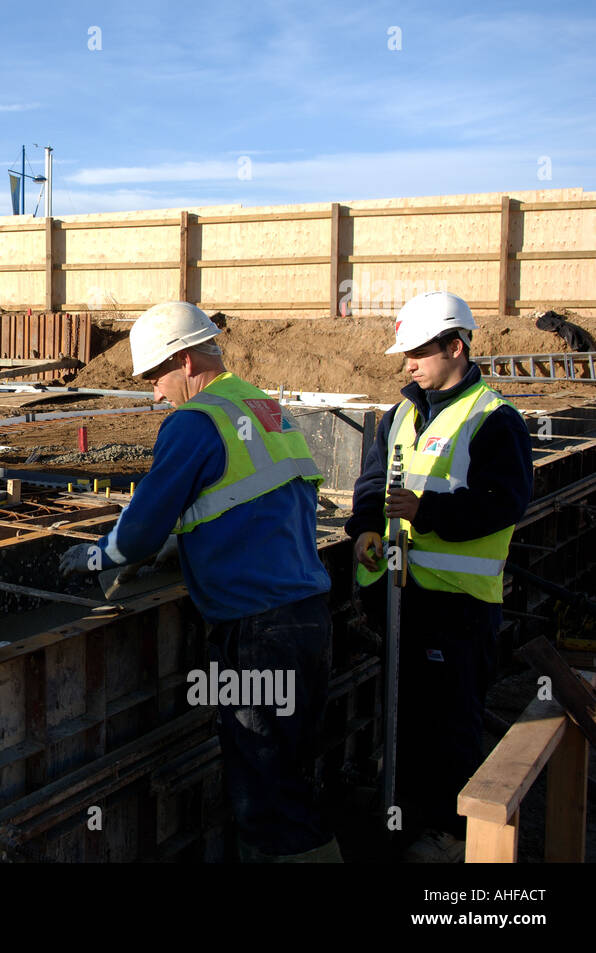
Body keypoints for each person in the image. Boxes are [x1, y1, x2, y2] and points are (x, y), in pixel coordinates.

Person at [60, 302, 340, 862]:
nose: (156, 396)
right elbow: (260, 503)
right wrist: (182, 542)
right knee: (290, 780)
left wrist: (96, 556)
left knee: (262, 795)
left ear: (186, 361)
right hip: (308, 618)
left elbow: (136, 532)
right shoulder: (264, 407)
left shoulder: (194, 421)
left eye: (156, 379)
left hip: (258, 635)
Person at [347, 290, 532, 862]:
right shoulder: (401, 413)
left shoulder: (494, 420)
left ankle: (452, 836)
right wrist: (363, 529)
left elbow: (503, 503)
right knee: (408, 717)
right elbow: (374, 484)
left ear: (456, 347)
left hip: (459, 606)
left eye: (418, 354)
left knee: (451, 724)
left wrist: (427, 512)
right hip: (404, 597)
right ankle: (404, 815)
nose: (408, 365)